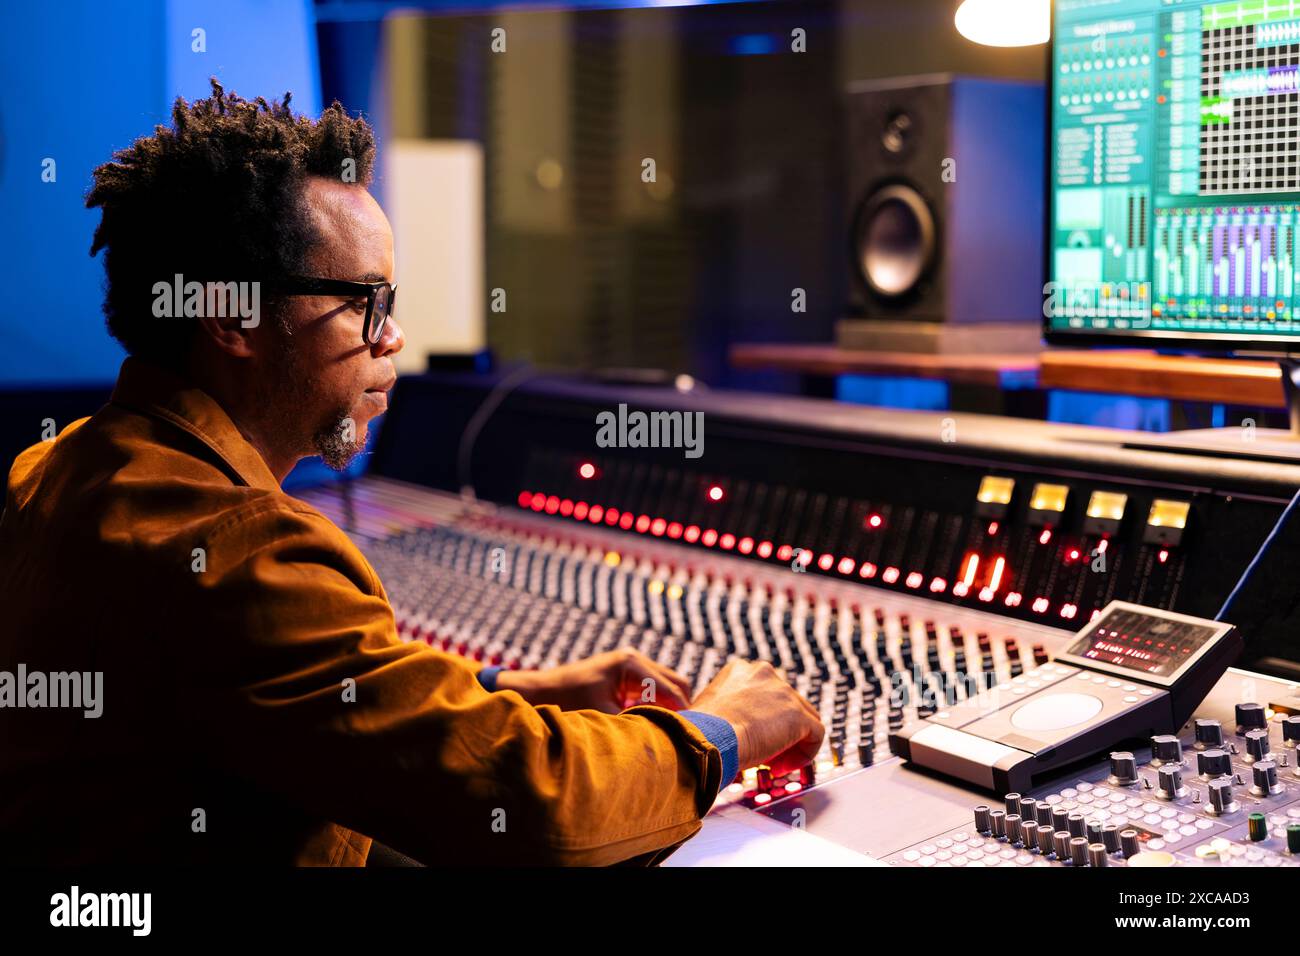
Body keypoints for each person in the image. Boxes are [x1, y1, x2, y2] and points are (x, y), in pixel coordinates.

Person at [0, 81, 824, 865]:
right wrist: (724, 726)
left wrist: (516, 686)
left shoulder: (56, 465)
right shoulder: (241, 553)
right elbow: (533, 810)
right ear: (231, 318)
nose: (392, 337)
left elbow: (288, 696)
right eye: (366, 302)